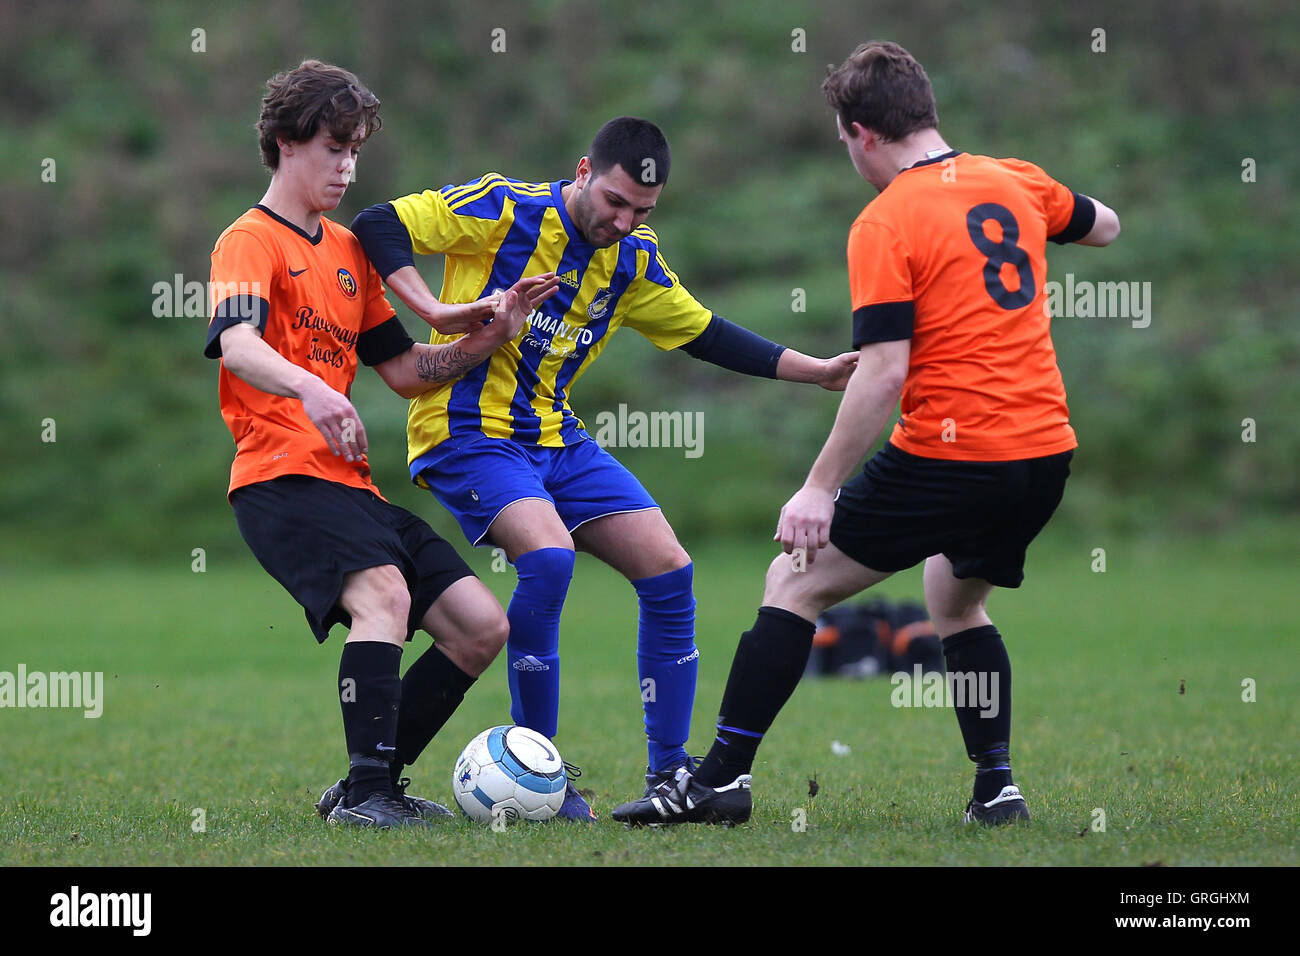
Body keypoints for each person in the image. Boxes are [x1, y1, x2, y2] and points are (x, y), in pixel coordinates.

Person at [611, 41, 1121, 827]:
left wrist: (818, 487)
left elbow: (883, 372)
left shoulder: (886, 221)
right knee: (953, 602)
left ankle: (718, 781)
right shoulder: (1016, 180)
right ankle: (997, 789)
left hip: (954, 453)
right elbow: (1107, 227)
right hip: (1045, 451)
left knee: (794, 583)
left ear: (861, 133)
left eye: (844, 142)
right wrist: (1041, 221)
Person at [351, 117, 858, 819]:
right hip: (464, 433)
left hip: (557, 439)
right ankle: (539, 772)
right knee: (551, 560)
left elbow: (708, 335)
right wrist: (437, 309)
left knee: (669, 568)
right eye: (616, 202)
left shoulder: (634, 262)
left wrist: (820, 372)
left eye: (642, 212)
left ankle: (670, 775)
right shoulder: (503, 209)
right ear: (584, 171)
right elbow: (378, 223)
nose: (624, 221)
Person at [204, 60, 559, 828]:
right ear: (286, 143)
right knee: (386, 599)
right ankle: (368, 796)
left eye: (357, 149)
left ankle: (371, 785)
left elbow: (406, 372)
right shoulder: (247, 241)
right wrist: (312, 387)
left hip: (350, 485)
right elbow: (236, 342)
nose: (348, 166)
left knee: (479, 627)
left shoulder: (348, 251)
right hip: (278, 477)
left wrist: (490, 336)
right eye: (335, 147)